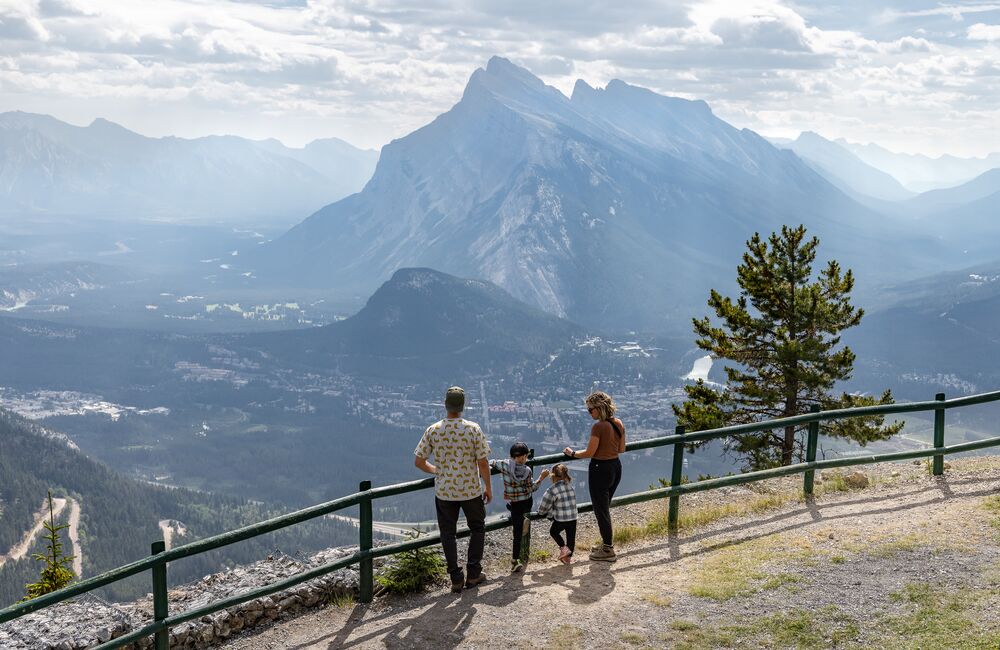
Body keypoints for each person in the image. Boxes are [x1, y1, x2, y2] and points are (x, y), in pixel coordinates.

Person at [414, 386, 493, 593]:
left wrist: (437, 471)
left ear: (445, 404)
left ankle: (456, 578)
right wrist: (488, 486)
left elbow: (419, 461)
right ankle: (474, 574)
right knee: (477, 528)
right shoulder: (473, 428)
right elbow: (483, 462)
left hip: (445, 492)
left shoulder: (433, 430)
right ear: (463, 405)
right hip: (470, 490)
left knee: (447, 534)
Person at [563, 390, 625, 562]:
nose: (589, 413)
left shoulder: (598, 426)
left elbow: (590, 452)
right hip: (615, 467)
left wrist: (572, 452)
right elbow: (621, 449)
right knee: (605, 508)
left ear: (599, 408)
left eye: (590, 410)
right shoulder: (618, 423)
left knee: (601, 510)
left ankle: (608, 550)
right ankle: (606, 544)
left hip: (600, 469)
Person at [490, 442, 549, 572]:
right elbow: (532, 488)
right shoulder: (527, 471)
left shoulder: (505, 465)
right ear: (525, 456)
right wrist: (541, 478)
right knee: (524, 514)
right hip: (526, 502)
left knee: (516, 533)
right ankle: (523, 519)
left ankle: (515, 560)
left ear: (512, 456)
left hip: (515, 503)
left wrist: (493, 462)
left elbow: (492, 462)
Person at [535, 463, 577, 564]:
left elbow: (543, 507)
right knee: (571, 538)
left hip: (561, 519)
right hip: (573, 517)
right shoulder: (570, 487)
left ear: (552, 476)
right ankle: (568, 557)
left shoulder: (552, 490)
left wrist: (541, 512)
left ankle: (563, 548)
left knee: (553, 532)